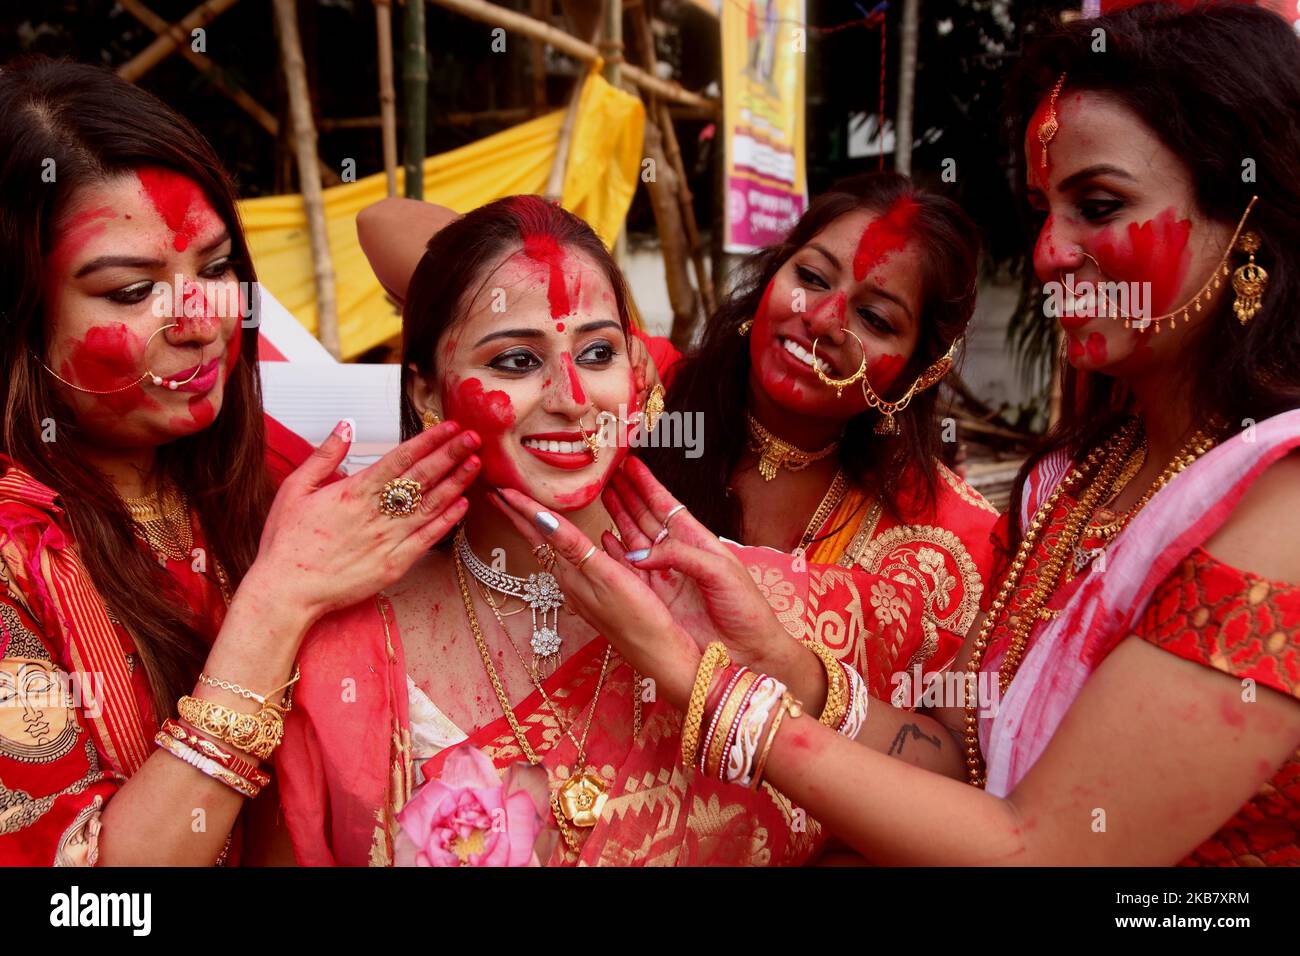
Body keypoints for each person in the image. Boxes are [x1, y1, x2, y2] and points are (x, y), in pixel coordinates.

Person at [499, 3, 1300, 866]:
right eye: (1043, 209)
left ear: (1249, 224)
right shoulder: (1082, 476)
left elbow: (1042, 849)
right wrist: (779, 655)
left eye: (1098, 205)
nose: (1046, 254)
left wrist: (697, 678)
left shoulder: (1277, 504)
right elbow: (959, 757)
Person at [273, 195, 935, 866]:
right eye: (514, 362)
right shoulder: (344, 646)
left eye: (596, 353)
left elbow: (958, 796)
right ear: (425, 393)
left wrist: (778, 672)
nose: (571, 397)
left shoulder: (763, 604)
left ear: (635, 374)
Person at [0, 58, 478, 865]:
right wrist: (276, 604)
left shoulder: (267, 472)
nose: (203, 318)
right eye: (130, 292)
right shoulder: (17, 559)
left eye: (218, 269)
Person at [357, 173, 999, 677]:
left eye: (875, 319)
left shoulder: (941, 535)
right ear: (773, 272)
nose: (824, 319)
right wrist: (579, 314)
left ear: (921, 371)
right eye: (809, 277)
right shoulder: (637, 394)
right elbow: (379, 222)